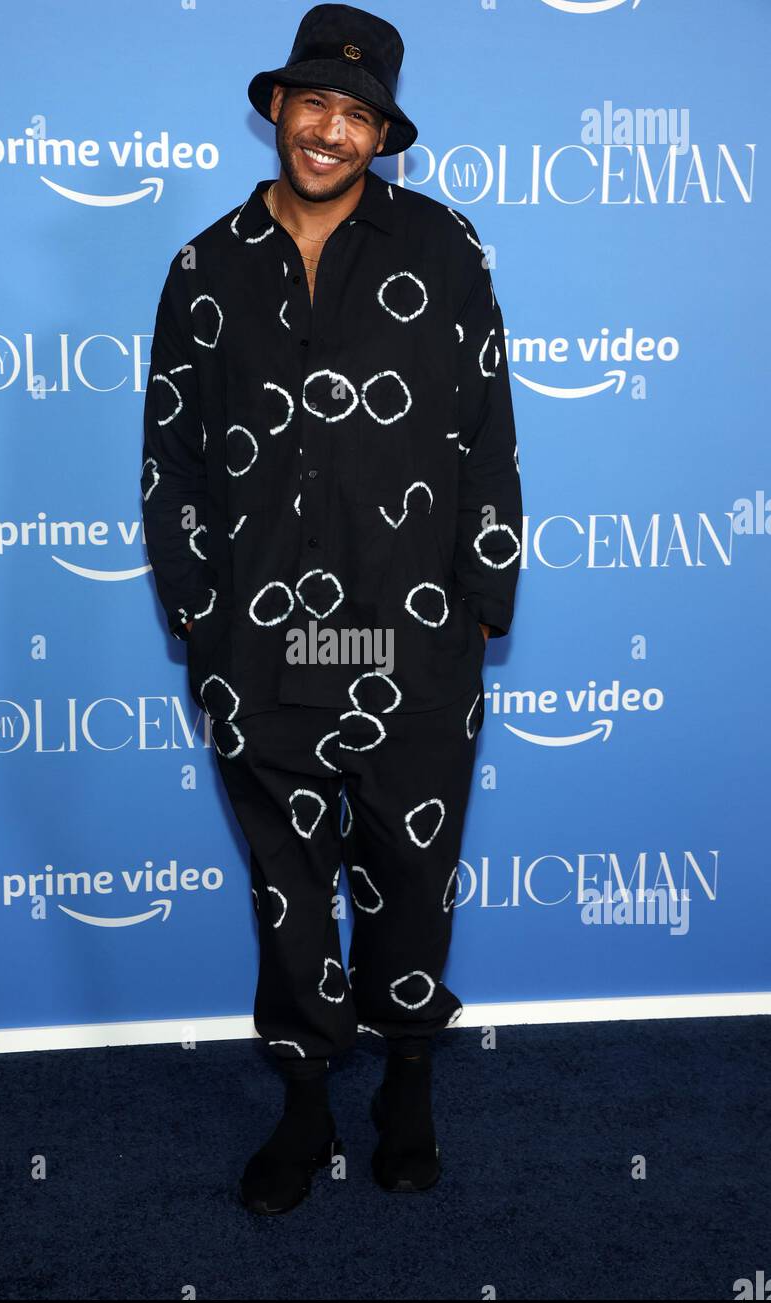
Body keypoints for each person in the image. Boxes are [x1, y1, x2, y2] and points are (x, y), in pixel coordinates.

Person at [141, 3, 522, 1214]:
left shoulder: (445, 248)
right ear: (274, 108)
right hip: (259, 642)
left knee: (412, 876)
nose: (328, 129)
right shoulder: (204, 266)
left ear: (380, 133)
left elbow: (487, 435)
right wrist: (198, 612)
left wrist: (479, 603)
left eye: (355, 112)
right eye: (313, 102)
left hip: (409, 634)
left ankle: (406, 1082)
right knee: (288, 886)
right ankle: (305, 1103)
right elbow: (169, 458)